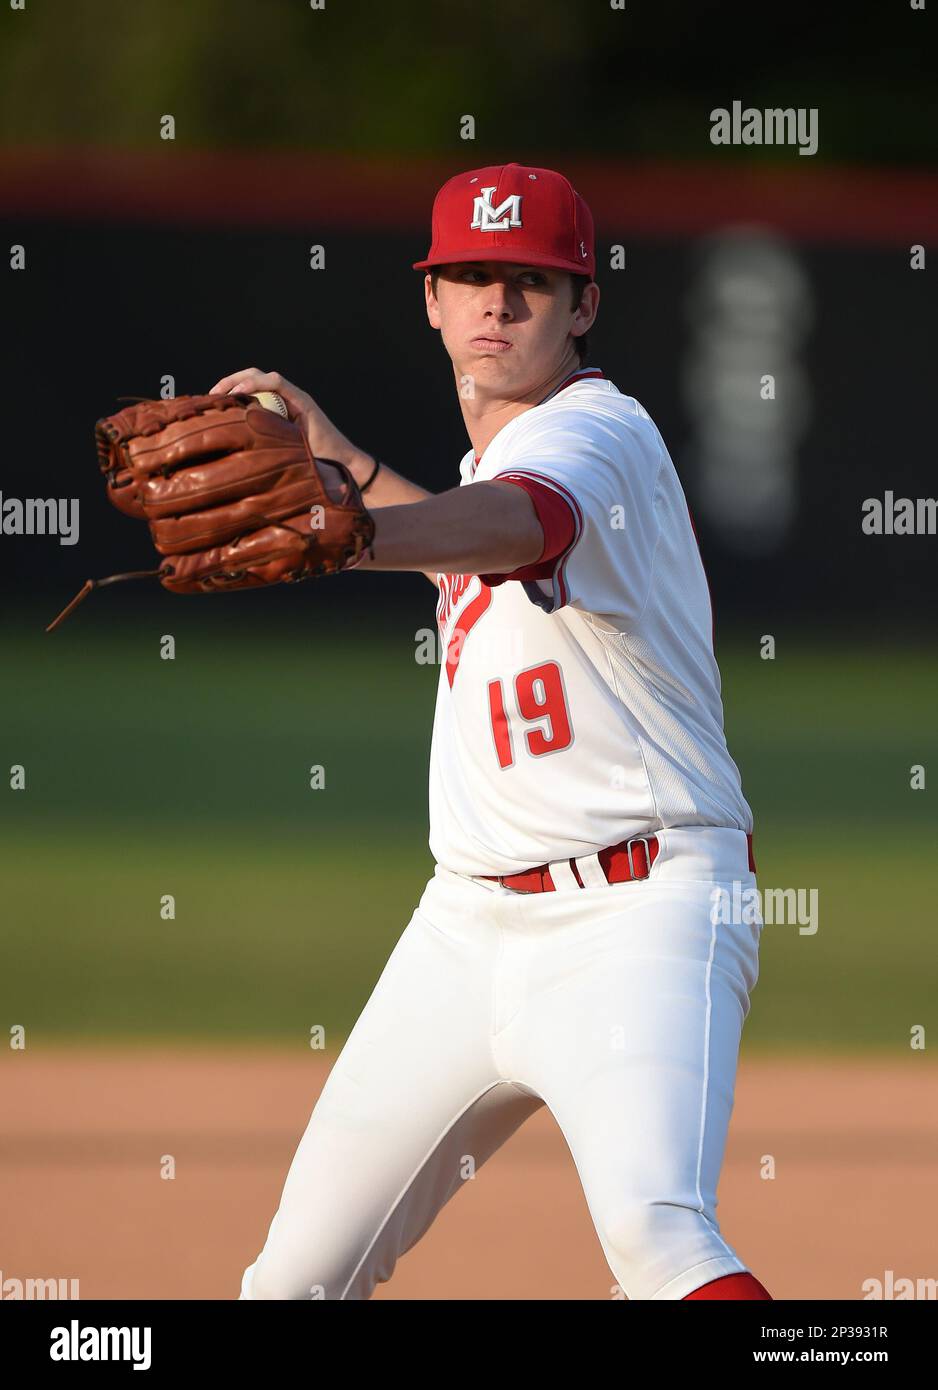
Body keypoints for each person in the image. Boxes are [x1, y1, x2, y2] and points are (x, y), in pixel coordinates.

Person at [216, 162, 771, 1301]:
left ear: (583, 305)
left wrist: (350, 524)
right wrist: (347, 463)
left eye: (528, 280)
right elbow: (469, 529)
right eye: (469, 276)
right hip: (462, 926)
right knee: (288, 1283)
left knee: (657, 1240)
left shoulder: (597, 434)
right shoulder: (490, 461)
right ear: (430, 299)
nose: (494, 304)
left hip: (639, 911)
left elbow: (517, 526)